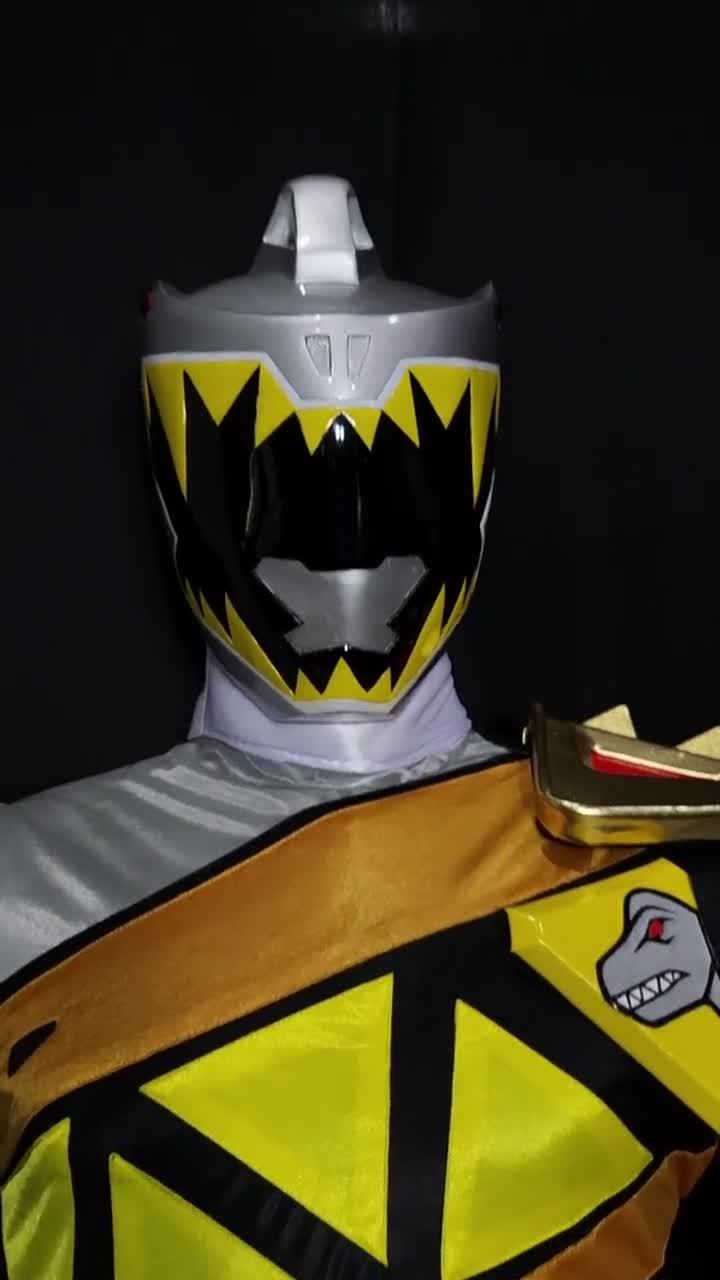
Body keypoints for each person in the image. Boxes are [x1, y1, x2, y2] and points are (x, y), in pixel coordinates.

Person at [0, 176, 715, 1280]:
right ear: (184, 476)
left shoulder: (660, 852)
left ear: (473, 472)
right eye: (279, 493)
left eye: (393, 490)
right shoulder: (25, 891)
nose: (344, 551)